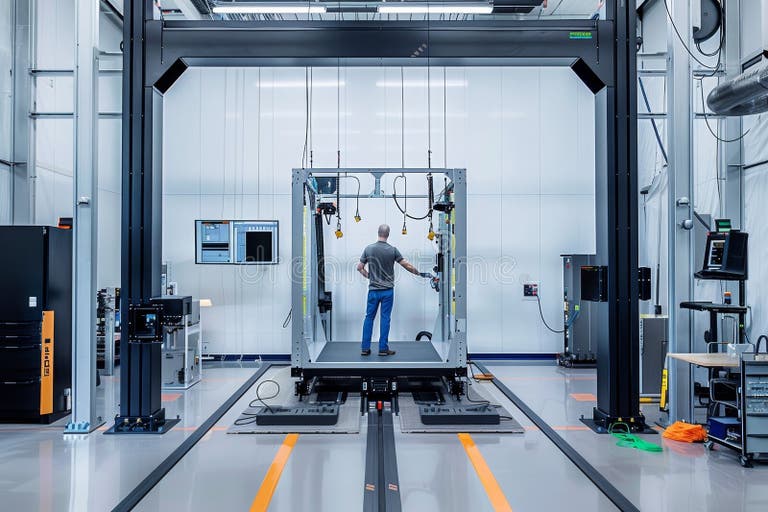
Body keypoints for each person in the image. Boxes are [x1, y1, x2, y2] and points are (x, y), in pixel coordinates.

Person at [357, 224, 421, 356]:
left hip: (373, 291)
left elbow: (359, 267)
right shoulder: (393, 250)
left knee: (369, 318)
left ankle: (365, 348)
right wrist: (418, 273)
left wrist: (369, 276)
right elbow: (406, 265)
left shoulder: (368, 249)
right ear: (388, 234)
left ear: (378, 232)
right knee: (385, 318)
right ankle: (383, 349)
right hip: (387, 292)